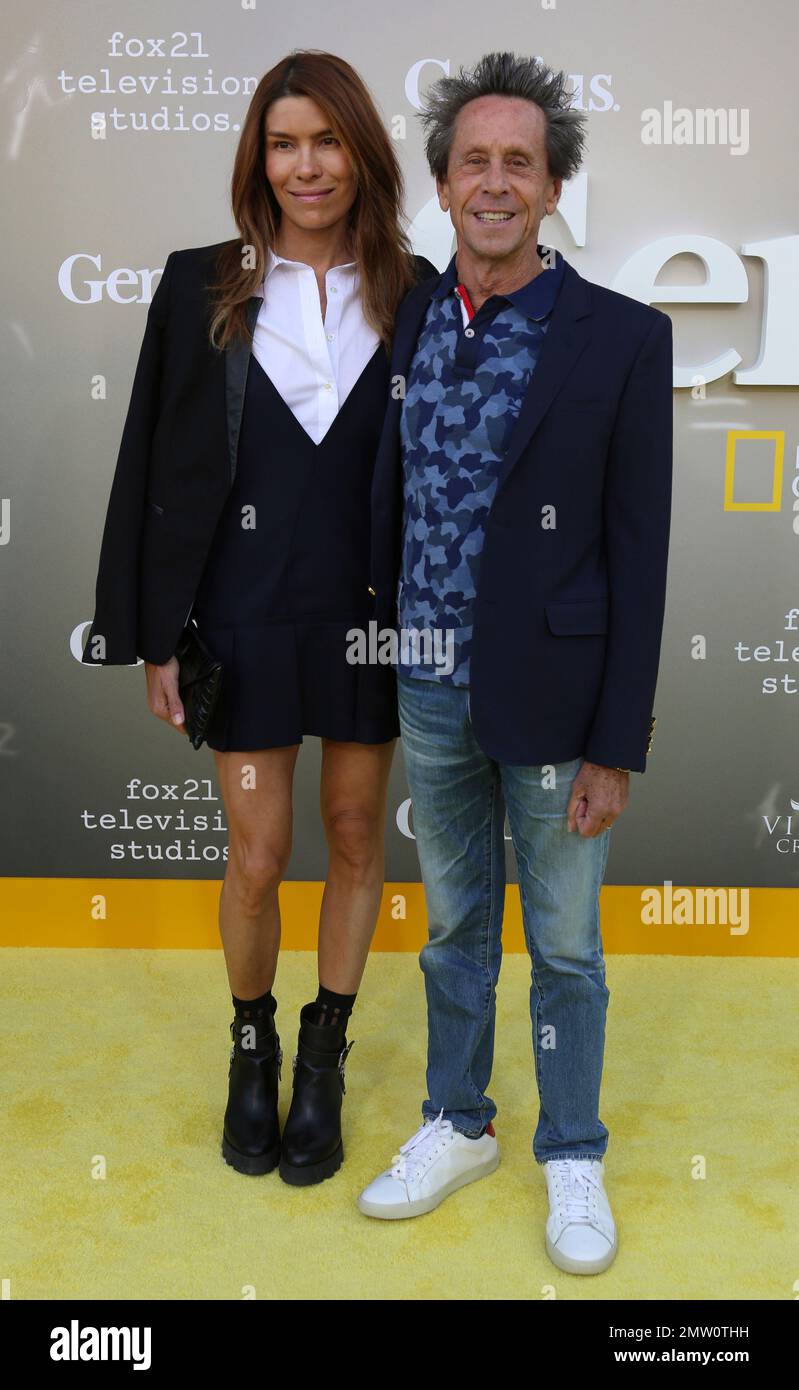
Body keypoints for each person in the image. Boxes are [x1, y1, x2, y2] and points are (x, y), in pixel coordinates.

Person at [81, 50, 435, 1188]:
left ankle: (323, 1055)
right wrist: (146, 632)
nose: (306, 165)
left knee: (348, 835)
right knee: (257, 851)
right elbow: (147, 458)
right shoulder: (202, 284)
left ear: (361, 155)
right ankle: (254, 1043)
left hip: (368, 618)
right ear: (258, 158)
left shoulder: (416, 288)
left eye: (327, 140)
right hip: (237, 612)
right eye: (284, 143)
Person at [359, 51, 673, 1274]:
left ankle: (572, 1149)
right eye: (473, 160)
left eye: (520, 164)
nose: (495, 181)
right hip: (427, 680)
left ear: (552, 191)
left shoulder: (620, 339)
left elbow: (640, 553)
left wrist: (616, 741)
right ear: (442, 183)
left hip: (556, 697)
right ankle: (456, 1120)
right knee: (450, 929)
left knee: (565, 946)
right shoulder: (410, 313)